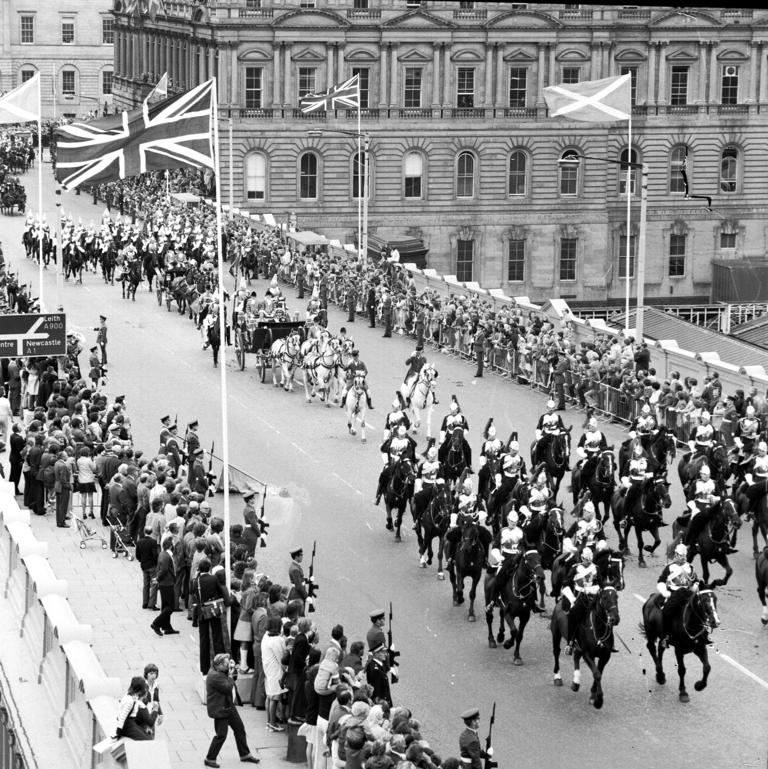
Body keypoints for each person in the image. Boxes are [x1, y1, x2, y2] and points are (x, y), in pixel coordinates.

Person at [204, 653, 260, 767]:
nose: (226, 666)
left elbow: (232, 680)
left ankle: (245, 754)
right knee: (221, 735)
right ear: (218, 665)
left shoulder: (219, 671)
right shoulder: (214, 676)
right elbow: (228, 687)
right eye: (225, 664)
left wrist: (231, 670)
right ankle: (210, 758)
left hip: (228, 706)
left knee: (239, 729)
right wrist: (230, 673)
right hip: (220, 709)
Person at [193, 557, 232, 675]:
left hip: (202, 611)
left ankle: (204, 668)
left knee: (204, 640)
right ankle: (220, 664)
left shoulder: (196, 581)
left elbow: (192, 592)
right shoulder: (213, 579)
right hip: (213, 610)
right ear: (209, 568)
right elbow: (220, 591)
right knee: (217, 637)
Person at [657, 544, 699, 647]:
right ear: (676, 555)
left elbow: (696, 582)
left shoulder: (689, 568)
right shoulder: (670, 567)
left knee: (699, 609)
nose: (683, 557)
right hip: (673, 594)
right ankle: (665, 636)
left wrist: (694, 587)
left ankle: (702, 635)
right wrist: (665, 592)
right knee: (666, 612)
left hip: (687, 594)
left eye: (684, 555)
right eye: (681, 555)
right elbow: (661, 582)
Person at [562, 546, 599, 655]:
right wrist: (572, 598)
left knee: (606, 611)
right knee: (573, 616)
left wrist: (591, 589)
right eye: (585, 559)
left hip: (592, 595)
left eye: (588, 560)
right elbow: (565, 583)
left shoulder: (596, 568)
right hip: (579, 597)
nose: (587, 562)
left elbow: (600, 584)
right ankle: (570, 643)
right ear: (582, 558)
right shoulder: (575, 568)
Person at [682, 465, 721, 551]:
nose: (706, 476)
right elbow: (690, 498)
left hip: (711, 505)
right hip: (698, 505)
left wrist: (715, 498)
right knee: (693, 520)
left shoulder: (714, 483)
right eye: (704, 474)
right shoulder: (695, 483)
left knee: (721, 519)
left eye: (708, 474)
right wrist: (693, 508)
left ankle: (725, 541)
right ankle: (687, 542)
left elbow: (719, 496)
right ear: (701, 474)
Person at [261, 616, 288, 732]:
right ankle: (272, 723)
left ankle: (269, 721)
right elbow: (282, 657)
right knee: (275, 698)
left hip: (267, 668)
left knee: (269, 696)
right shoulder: (277, 640)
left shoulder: (265, 636)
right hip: (276, 671)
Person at [150, 536, 178, 637]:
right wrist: (157, 579)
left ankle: (167, 627)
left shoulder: (164, 554)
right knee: (170, 607)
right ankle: (156, 623)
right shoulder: (166, 556)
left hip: (165, 583)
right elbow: (164, 570)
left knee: (166, 606)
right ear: (170, 546)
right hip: (167, 583)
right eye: (173, 544)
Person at [115, 676, 158, 741]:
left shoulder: (129, 695)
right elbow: (123, 716)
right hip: (128, 726)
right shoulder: (130, 701)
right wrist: (118, 732)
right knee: (147, 740)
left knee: (146, 736)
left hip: (131, 723)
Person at [533, 399, 569, 468]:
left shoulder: (558, 417)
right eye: (549, 408)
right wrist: (538, 437)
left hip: (556, 435)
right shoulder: (543, 417)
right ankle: (537, 462)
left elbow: (561, 427)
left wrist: (562, 432)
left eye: (552, 409)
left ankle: (566, 463)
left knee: (565, 445)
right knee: (539, 445)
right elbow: (538, 428)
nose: (551, 410)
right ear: (547, 408)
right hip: (546, 435)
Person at [136, 526, 160, 609]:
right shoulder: (153, 542)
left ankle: (145, 602)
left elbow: (137, 555)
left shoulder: (139, 542)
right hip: (152, 566)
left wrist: (141, 560)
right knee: (154, 584)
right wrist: (155, 563)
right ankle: (152, 603)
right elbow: (155, 554)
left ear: (144, 531)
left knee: (146, 584)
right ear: (152, 532)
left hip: (144, 565)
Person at [141, 663, 163, 738]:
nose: (154, 676)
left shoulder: (156, 686)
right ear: (146, 674)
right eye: (151, 673)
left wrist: (160, 714)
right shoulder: (143, 686)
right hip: (144, 713)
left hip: (152, 713)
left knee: (151, 734)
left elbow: (156, 700)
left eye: (155, 674)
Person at [287, 547, 308, 613]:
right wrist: (306, 596)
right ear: (296, 556)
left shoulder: (295, 566)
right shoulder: (295, 569)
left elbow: (299, 579)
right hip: (297, 594)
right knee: (299, 613)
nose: (302, 556)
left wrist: (308, 580)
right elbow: (298, 585)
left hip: (297, 592)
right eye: (301, 555)